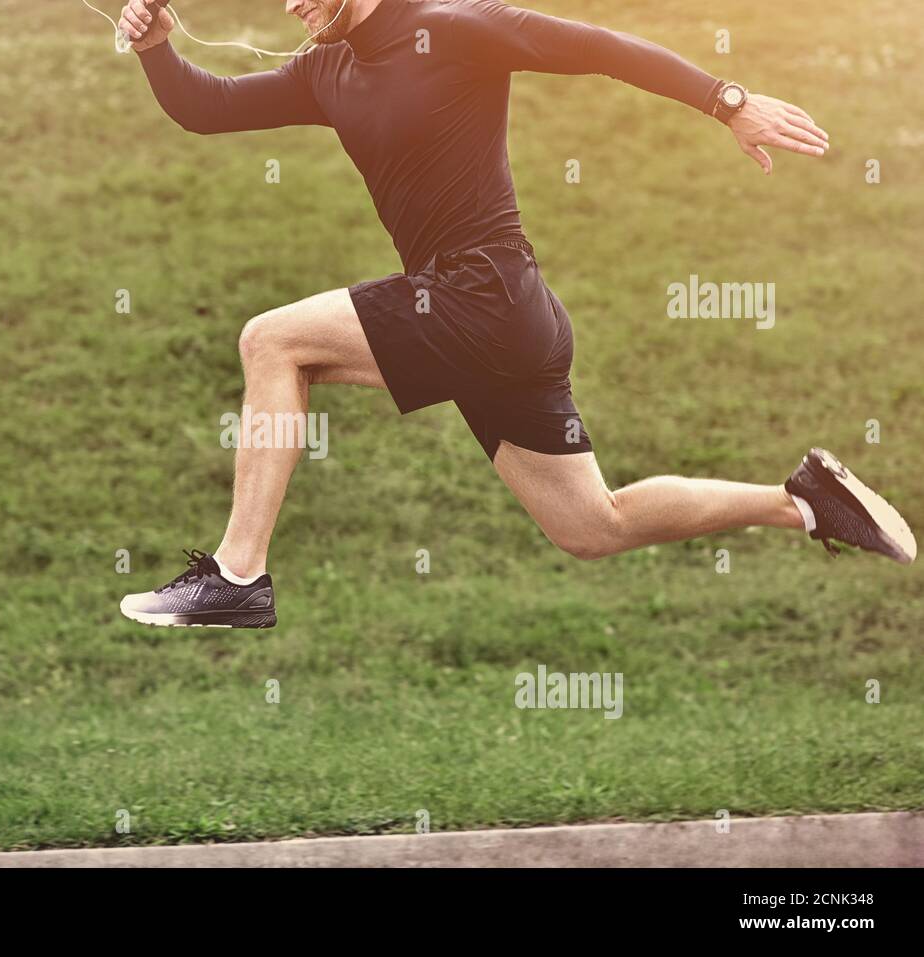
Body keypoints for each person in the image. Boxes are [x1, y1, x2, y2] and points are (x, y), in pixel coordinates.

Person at [115, 0, 915, 629]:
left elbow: (598, 47)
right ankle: (806, 499)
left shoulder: (454, 26)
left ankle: (237, 574)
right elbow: (206, 107)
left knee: (272, 341)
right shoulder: (329, 71)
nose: (292, 4)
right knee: (592, 526)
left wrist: (726, 99)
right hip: (498, 321)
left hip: (482, 295)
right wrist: (154, 48)